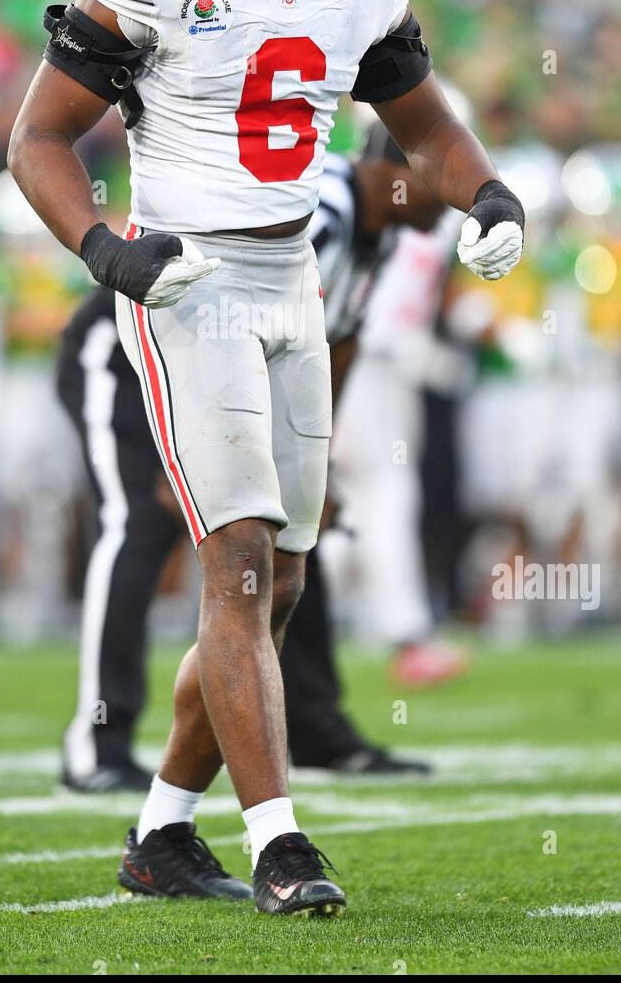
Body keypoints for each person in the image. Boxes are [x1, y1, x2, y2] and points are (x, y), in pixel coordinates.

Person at [8, 0, 524, 918]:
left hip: (295, 275)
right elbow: (36, 138)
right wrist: (103, 246)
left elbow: (421, 117)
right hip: (190, 284)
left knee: (281, 584)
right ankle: (280, 838)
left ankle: (157, 833)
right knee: (234, 564)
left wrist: (485, 187)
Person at [58, 138, 440, 794]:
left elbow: (332, 342)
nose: (457, 196)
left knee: (290, 530)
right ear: (392, 168)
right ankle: (98, 742)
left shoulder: (379, 236)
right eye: (446, 176)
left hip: (222, 371)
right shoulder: (319, 207)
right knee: (139, 526)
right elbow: (221, 308)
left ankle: (317, 728)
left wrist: (312, 460)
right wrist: (178, 448)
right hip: (135, 354)